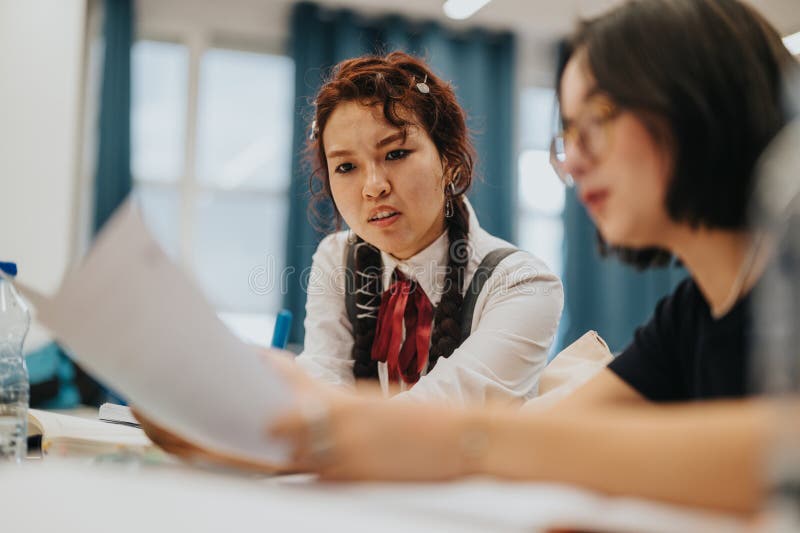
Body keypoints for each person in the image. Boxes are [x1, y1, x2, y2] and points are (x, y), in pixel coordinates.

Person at [270, 0, 799, 513]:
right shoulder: (687, 318)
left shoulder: (523, 282)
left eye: (599, 118)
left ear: (701, 105)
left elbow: (778, 456)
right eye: (566, 131)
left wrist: (458, 440)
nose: (572, 161)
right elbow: (560, 435)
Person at [293, 52, 563, 404]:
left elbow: (440, 413)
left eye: (396, 154)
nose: (373, 187)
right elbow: (321, 391)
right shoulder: (335, 257)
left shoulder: (524, 284)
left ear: (449, 160)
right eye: (346, 167)